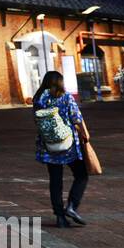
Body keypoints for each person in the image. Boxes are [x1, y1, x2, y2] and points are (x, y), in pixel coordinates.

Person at [34, 70, 90, 228]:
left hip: (49, 146)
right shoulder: (65, 97)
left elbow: (36, 120)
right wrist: (85, 134)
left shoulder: (38, 99)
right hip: (68, 145)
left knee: (55, 181)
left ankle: (59, 217)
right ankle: (71, 207)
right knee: (81, 175)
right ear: (60, 82)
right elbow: (76, 118)